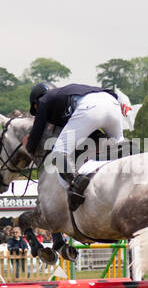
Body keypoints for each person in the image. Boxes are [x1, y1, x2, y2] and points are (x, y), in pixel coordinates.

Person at [24, 81, 125, 209]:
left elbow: (37, 131)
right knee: (121, 148)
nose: (37, 112)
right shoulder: (64, 97)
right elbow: (90, 130)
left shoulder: (44, 100)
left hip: (90, 107)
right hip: (112, 103)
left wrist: (29, 147)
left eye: (35, 109)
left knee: (58, 153)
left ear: (35, 102)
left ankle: (76, 184)